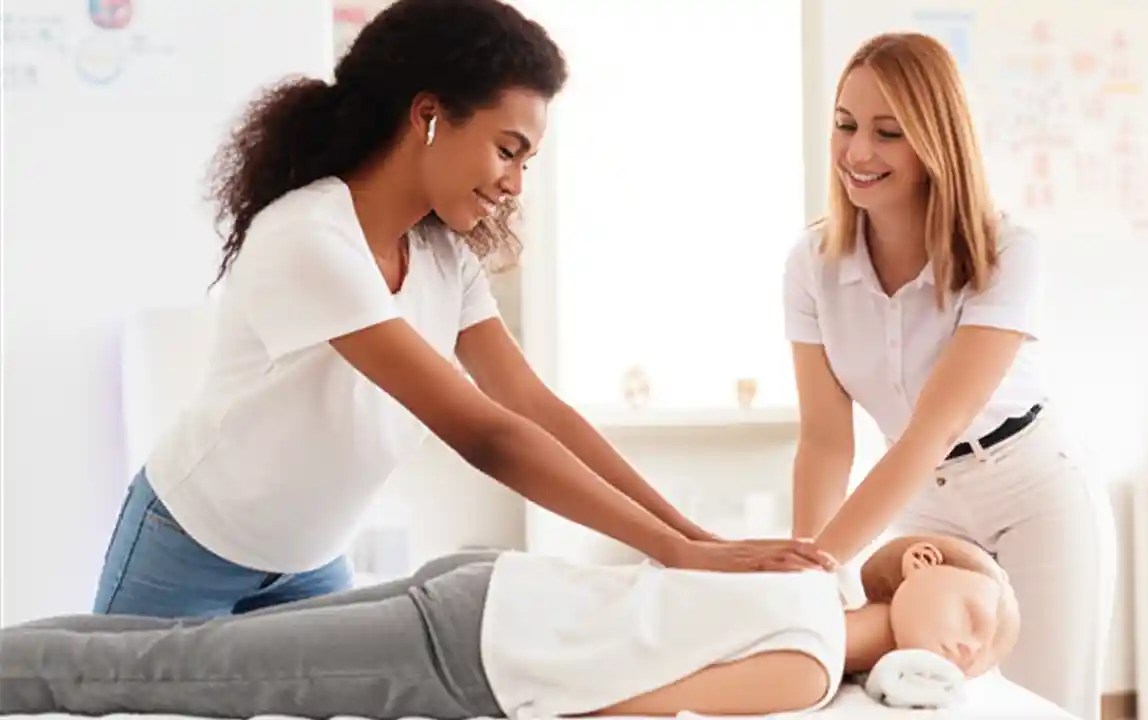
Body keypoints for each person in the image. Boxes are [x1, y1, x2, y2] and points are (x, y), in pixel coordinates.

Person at [93, 0, 835, 620]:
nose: (514, 184)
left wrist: (693, 538)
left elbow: (534, 407)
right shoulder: (309, 237)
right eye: (507, 149)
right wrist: (676, 551)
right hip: (187, 547)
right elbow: (485, 434)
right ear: (428, 116)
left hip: (312, 564)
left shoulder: (445, 255)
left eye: (526, 161)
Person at [784, 32, 1114, 719]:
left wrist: (813, 570)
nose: (857, 152)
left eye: (889, 132)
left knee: (1046, 705)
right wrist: (809, 570)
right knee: (926, 698)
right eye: (845, 125)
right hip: (928, 509)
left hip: (1033, 490)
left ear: (936, 139)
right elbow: (824, 440)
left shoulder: (1005, 252)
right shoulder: (814, 263)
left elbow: (935, 427)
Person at [1, 534, 1016, 719]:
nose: (974, 649)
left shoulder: (807, 600)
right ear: (922, 562)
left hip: (492, 593)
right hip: (478, 648)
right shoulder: (808, 646)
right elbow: (622, 705)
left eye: (986, 655)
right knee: (172, 674)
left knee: (168, 655)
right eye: (978, 614)